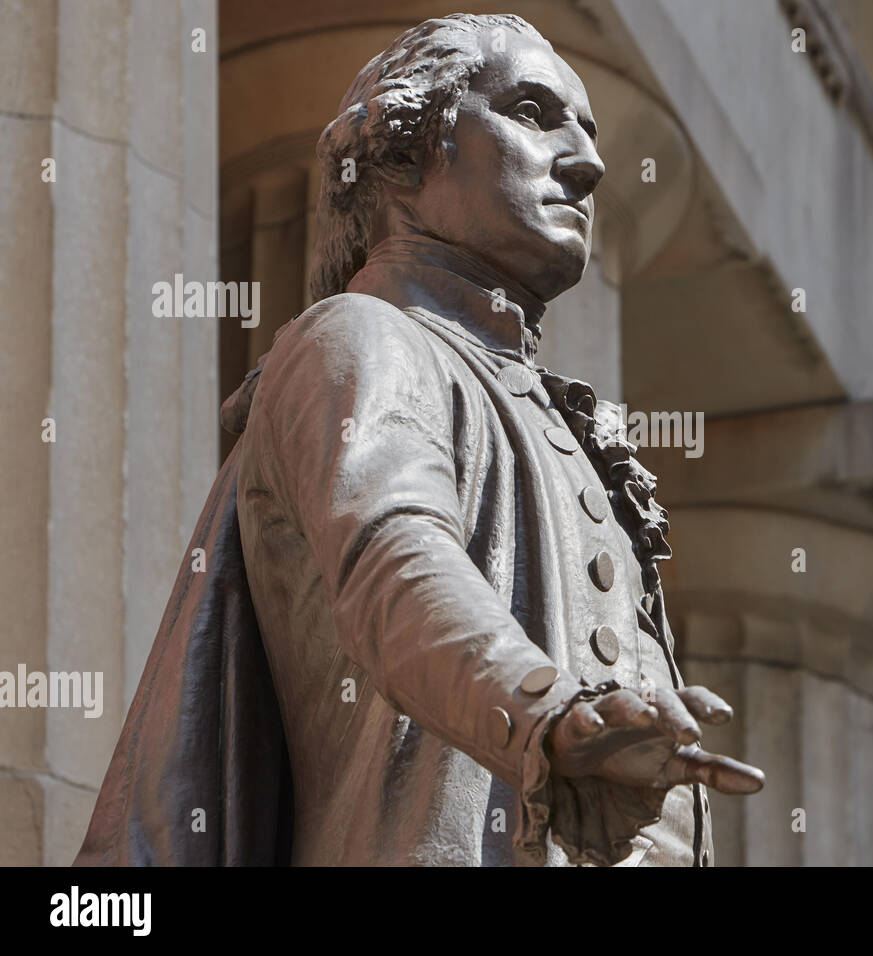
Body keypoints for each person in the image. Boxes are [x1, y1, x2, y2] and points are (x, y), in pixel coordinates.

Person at [76, 13, 762, 868]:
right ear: (404, 155)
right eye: (532, 111)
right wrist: (545, 713)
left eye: (588, 130)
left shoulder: (547, 411)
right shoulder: (362, 337)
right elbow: (395, 560)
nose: (588, 165)